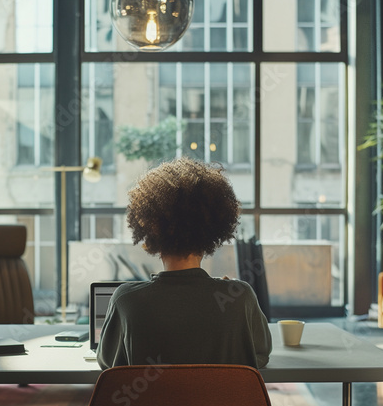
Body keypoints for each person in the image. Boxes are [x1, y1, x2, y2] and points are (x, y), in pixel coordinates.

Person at [97, 157, 272, 369]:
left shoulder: (126, 300)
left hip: (152, 403)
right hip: (220, 403)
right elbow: (260, 355)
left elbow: (108, 364)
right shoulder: (239, 297)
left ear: (150, 232)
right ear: (213, 234)